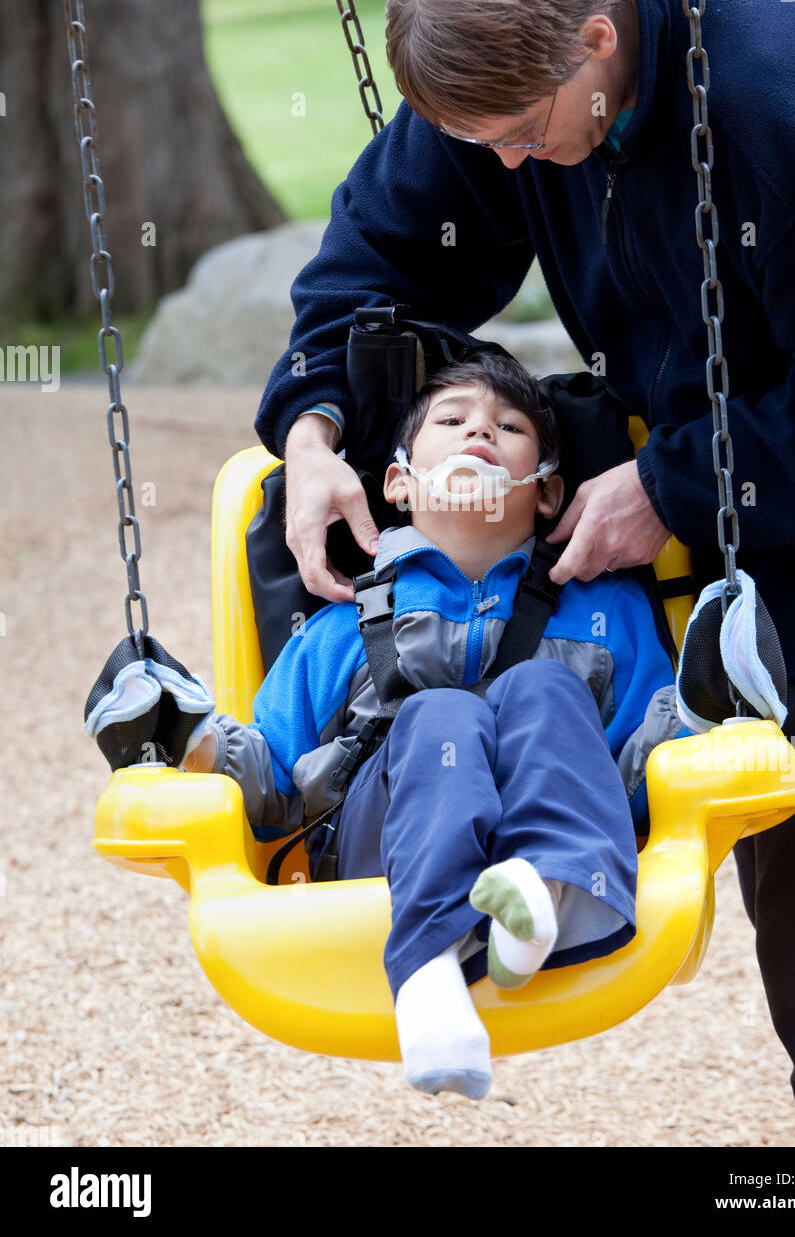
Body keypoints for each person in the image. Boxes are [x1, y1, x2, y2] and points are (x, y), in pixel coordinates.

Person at [251, 0, 795, 1144]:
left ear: (599, 39)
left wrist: (673, 486)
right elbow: (377, 258)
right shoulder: (509, 68)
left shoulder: (783, 101)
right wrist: (316, 424)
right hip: (736, 493)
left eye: (516, 135)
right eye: (473, 140)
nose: (499, 168)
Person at [184, 350, 688, 1098]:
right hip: (378, 854)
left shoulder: (608, 613)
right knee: (440, 712)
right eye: (453, 421)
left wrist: (705, 707)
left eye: (509, 426)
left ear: (548, 492)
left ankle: (542, 893)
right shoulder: (339, 628)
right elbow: (273, 779)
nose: (479, 431)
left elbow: (646, 772)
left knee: (546, 689)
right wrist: (188, 734)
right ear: (398, 481)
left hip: (567, 850)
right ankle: (428, 967)